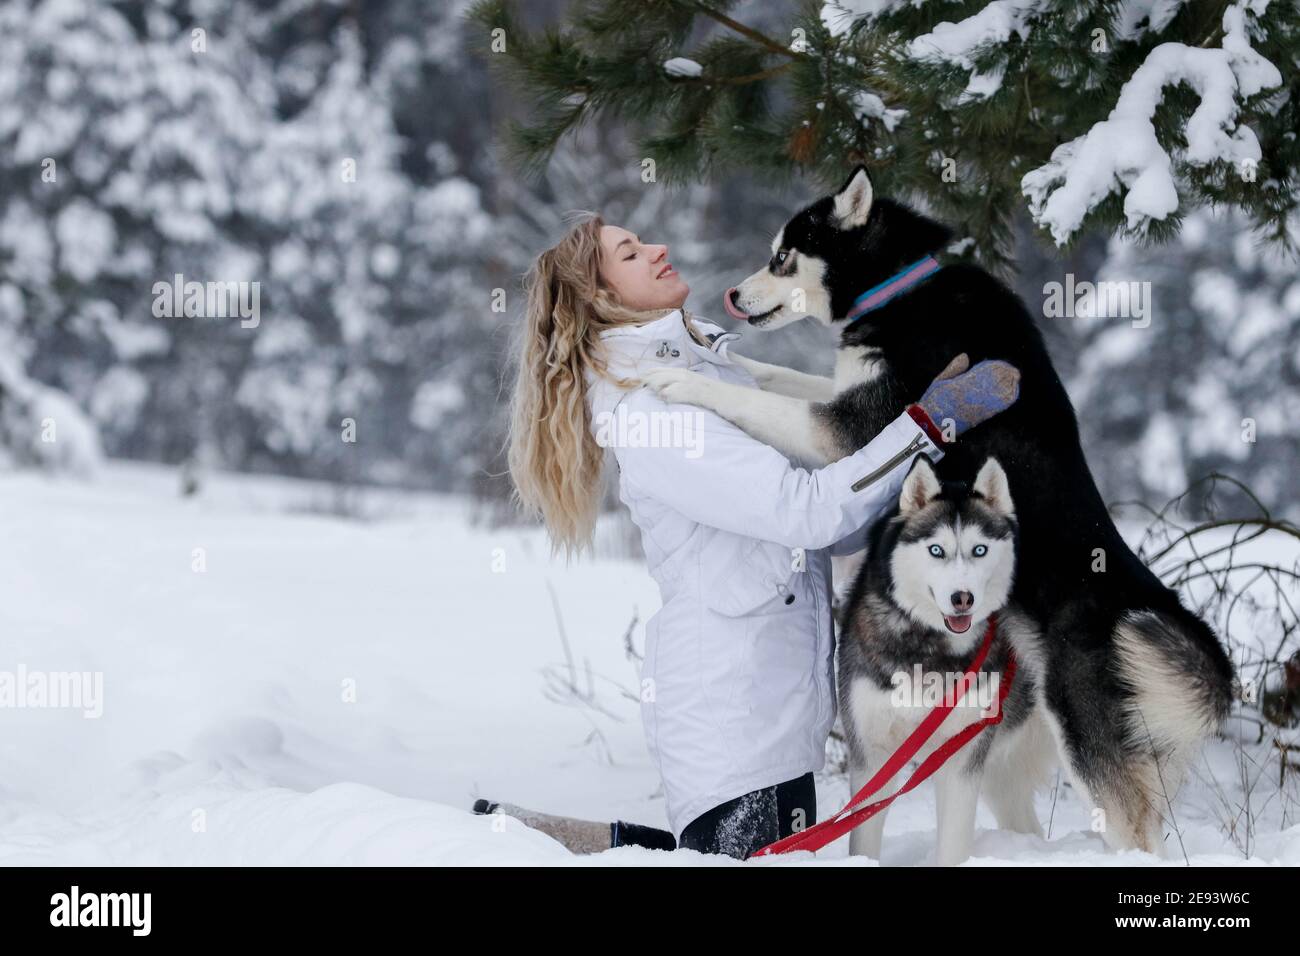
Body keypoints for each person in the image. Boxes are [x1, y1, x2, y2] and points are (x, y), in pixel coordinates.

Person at [479, 213, 1020, 859]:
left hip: (775, 714)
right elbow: (810, 513)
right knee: (737, 859)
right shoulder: (656, 414)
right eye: (629, 252)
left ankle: (576, 841)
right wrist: (925, 424)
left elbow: (827, 533)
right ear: (601, 296)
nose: (658, 247)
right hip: (734, 730)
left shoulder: (709, 374)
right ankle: (559, 846)